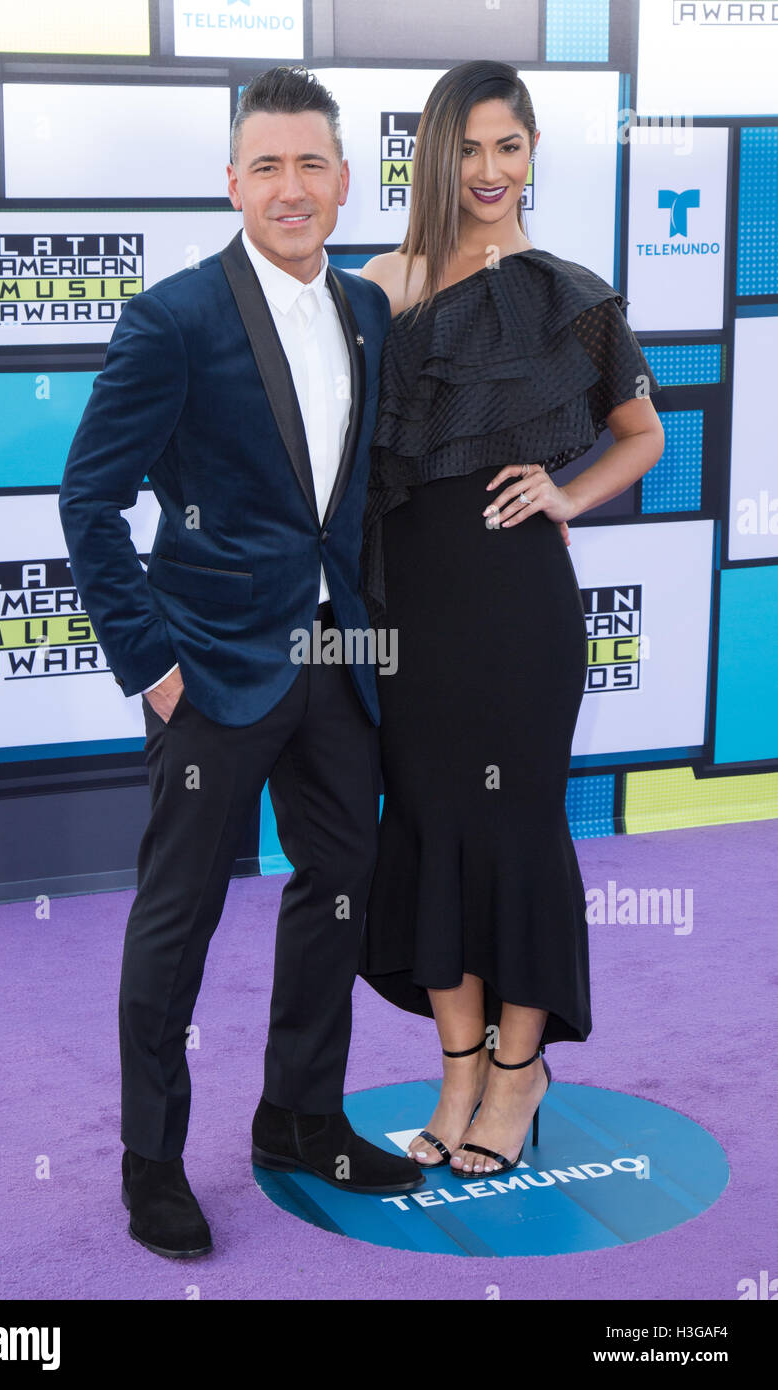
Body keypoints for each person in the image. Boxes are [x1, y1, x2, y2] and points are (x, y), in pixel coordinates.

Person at [58, 65, 424, 1260]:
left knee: (335, 886)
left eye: (310, 162)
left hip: (332, 651)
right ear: (230, 182)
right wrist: (151, 668)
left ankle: (299, 1121)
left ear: (342, 177)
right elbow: (88, 502)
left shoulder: (367, 309)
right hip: (207, 667)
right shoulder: (174, 319)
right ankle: (151, 1162)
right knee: (178, 920)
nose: (289, 186)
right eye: (264, 164)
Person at [358, 61, 664, 1177]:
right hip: (410, 610)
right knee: (432, 816)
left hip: (519, 609)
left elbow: (642, 435)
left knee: (520, 829)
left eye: (508, 146)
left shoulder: (566, 294)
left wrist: (564, 494)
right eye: (467, 149)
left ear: (531, 151)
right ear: (433, 156)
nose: (487, 172)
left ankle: (518, 1068)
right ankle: (455, 1066)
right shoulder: (380, 286)